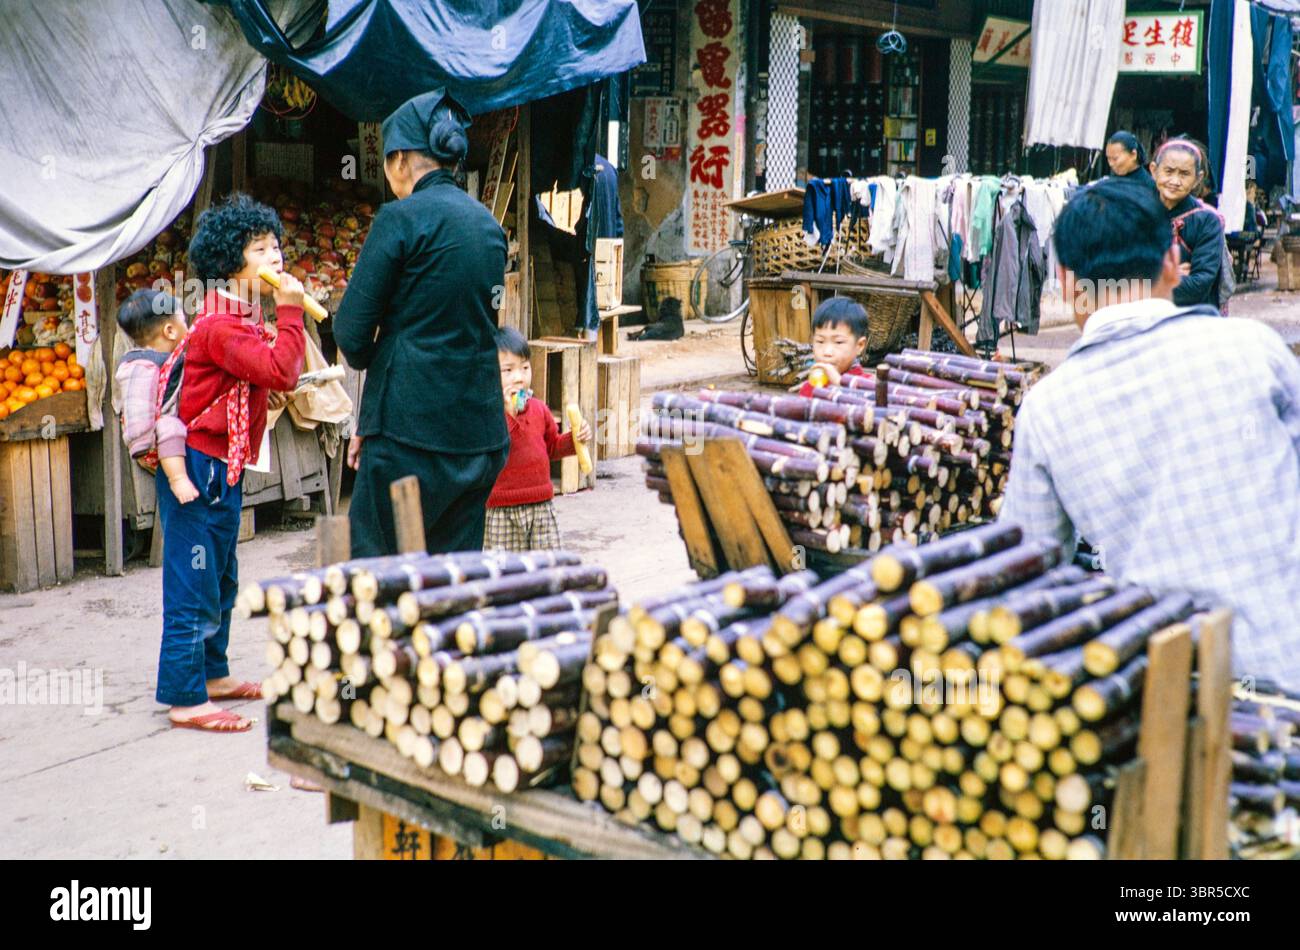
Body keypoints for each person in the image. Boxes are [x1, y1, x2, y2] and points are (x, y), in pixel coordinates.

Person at [1000, 177, 1300, 689]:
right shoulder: (1256, 349)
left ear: (1068, 283)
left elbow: (1023, 575)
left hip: (1172, 699)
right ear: (1171, 262)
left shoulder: (1046, 408)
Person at [334, 89, 509, 556]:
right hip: (479, 436)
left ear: (398, 160)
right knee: (451, 584)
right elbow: (477, 325)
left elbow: (350, 332)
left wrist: (389, 365)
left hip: (408, 436)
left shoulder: (399, 219)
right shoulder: (489, 227)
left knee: (377, 578)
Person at [159, 194, 307, 732]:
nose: (275, 259)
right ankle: (184, 697)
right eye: (261, 249)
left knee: (221, 577)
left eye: (276, 247)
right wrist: (291, 312)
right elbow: (281, 371)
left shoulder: (243, 318)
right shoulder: (219, 326)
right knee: (191, 584)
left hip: (228, 466)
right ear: (230, 262)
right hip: (198, 468)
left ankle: (214, 674)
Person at [484, 328, 591, 551]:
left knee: (547, 570)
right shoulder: (489, 414)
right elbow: (497, 449)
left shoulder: (539, 409)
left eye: (525, 367)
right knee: (508, 576)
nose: (519, 377)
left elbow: (551, 447)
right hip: (502, 510)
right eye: (508, 370)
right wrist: (509, 415)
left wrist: (575, 440)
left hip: (541, 506)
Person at [113, 289, 197, 504]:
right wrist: (142, 441)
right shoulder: (142, 365)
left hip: (168, 435)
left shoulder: (169, 358)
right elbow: (137, 406)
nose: (188, 329)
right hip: (154, 436)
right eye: (184, 323)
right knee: (170, 427)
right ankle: (178, 479)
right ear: (170, 331)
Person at [1150, 138, 1227, 307]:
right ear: (1154, 170)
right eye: (1168, 171)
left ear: (1198, 179)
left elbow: (1198, 286)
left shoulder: (1207, 221)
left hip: (1192, 319)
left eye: (1184, 174)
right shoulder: (1134, 213)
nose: (1175, 181)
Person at [798, 298, 871, 397]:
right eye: (820, 341)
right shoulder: (809, 387)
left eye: (838, 342)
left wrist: (839, 383)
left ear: (859, 345)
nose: (827, 352)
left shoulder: (867, 385)